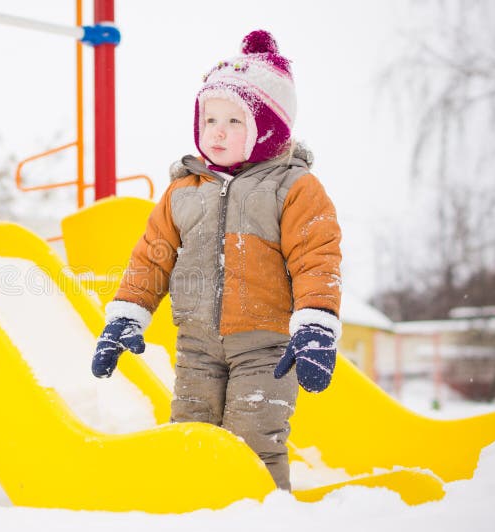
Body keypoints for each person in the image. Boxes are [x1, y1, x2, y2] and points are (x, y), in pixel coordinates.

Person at [90, 29, 342, 491]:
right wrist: (126, 316)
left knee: (254, 442)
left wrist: (316, 326)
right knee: (192, 436)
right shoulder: (184, 189)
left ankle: (265, 519)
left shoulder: (294, 188)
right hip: (197, 347)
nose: (217, 132)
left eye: (234, 121)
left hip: (266, 349)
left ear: (268, 129)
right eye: (209, 120)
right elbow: (151, 258)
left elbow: (316, 258)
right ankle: (191, 513)